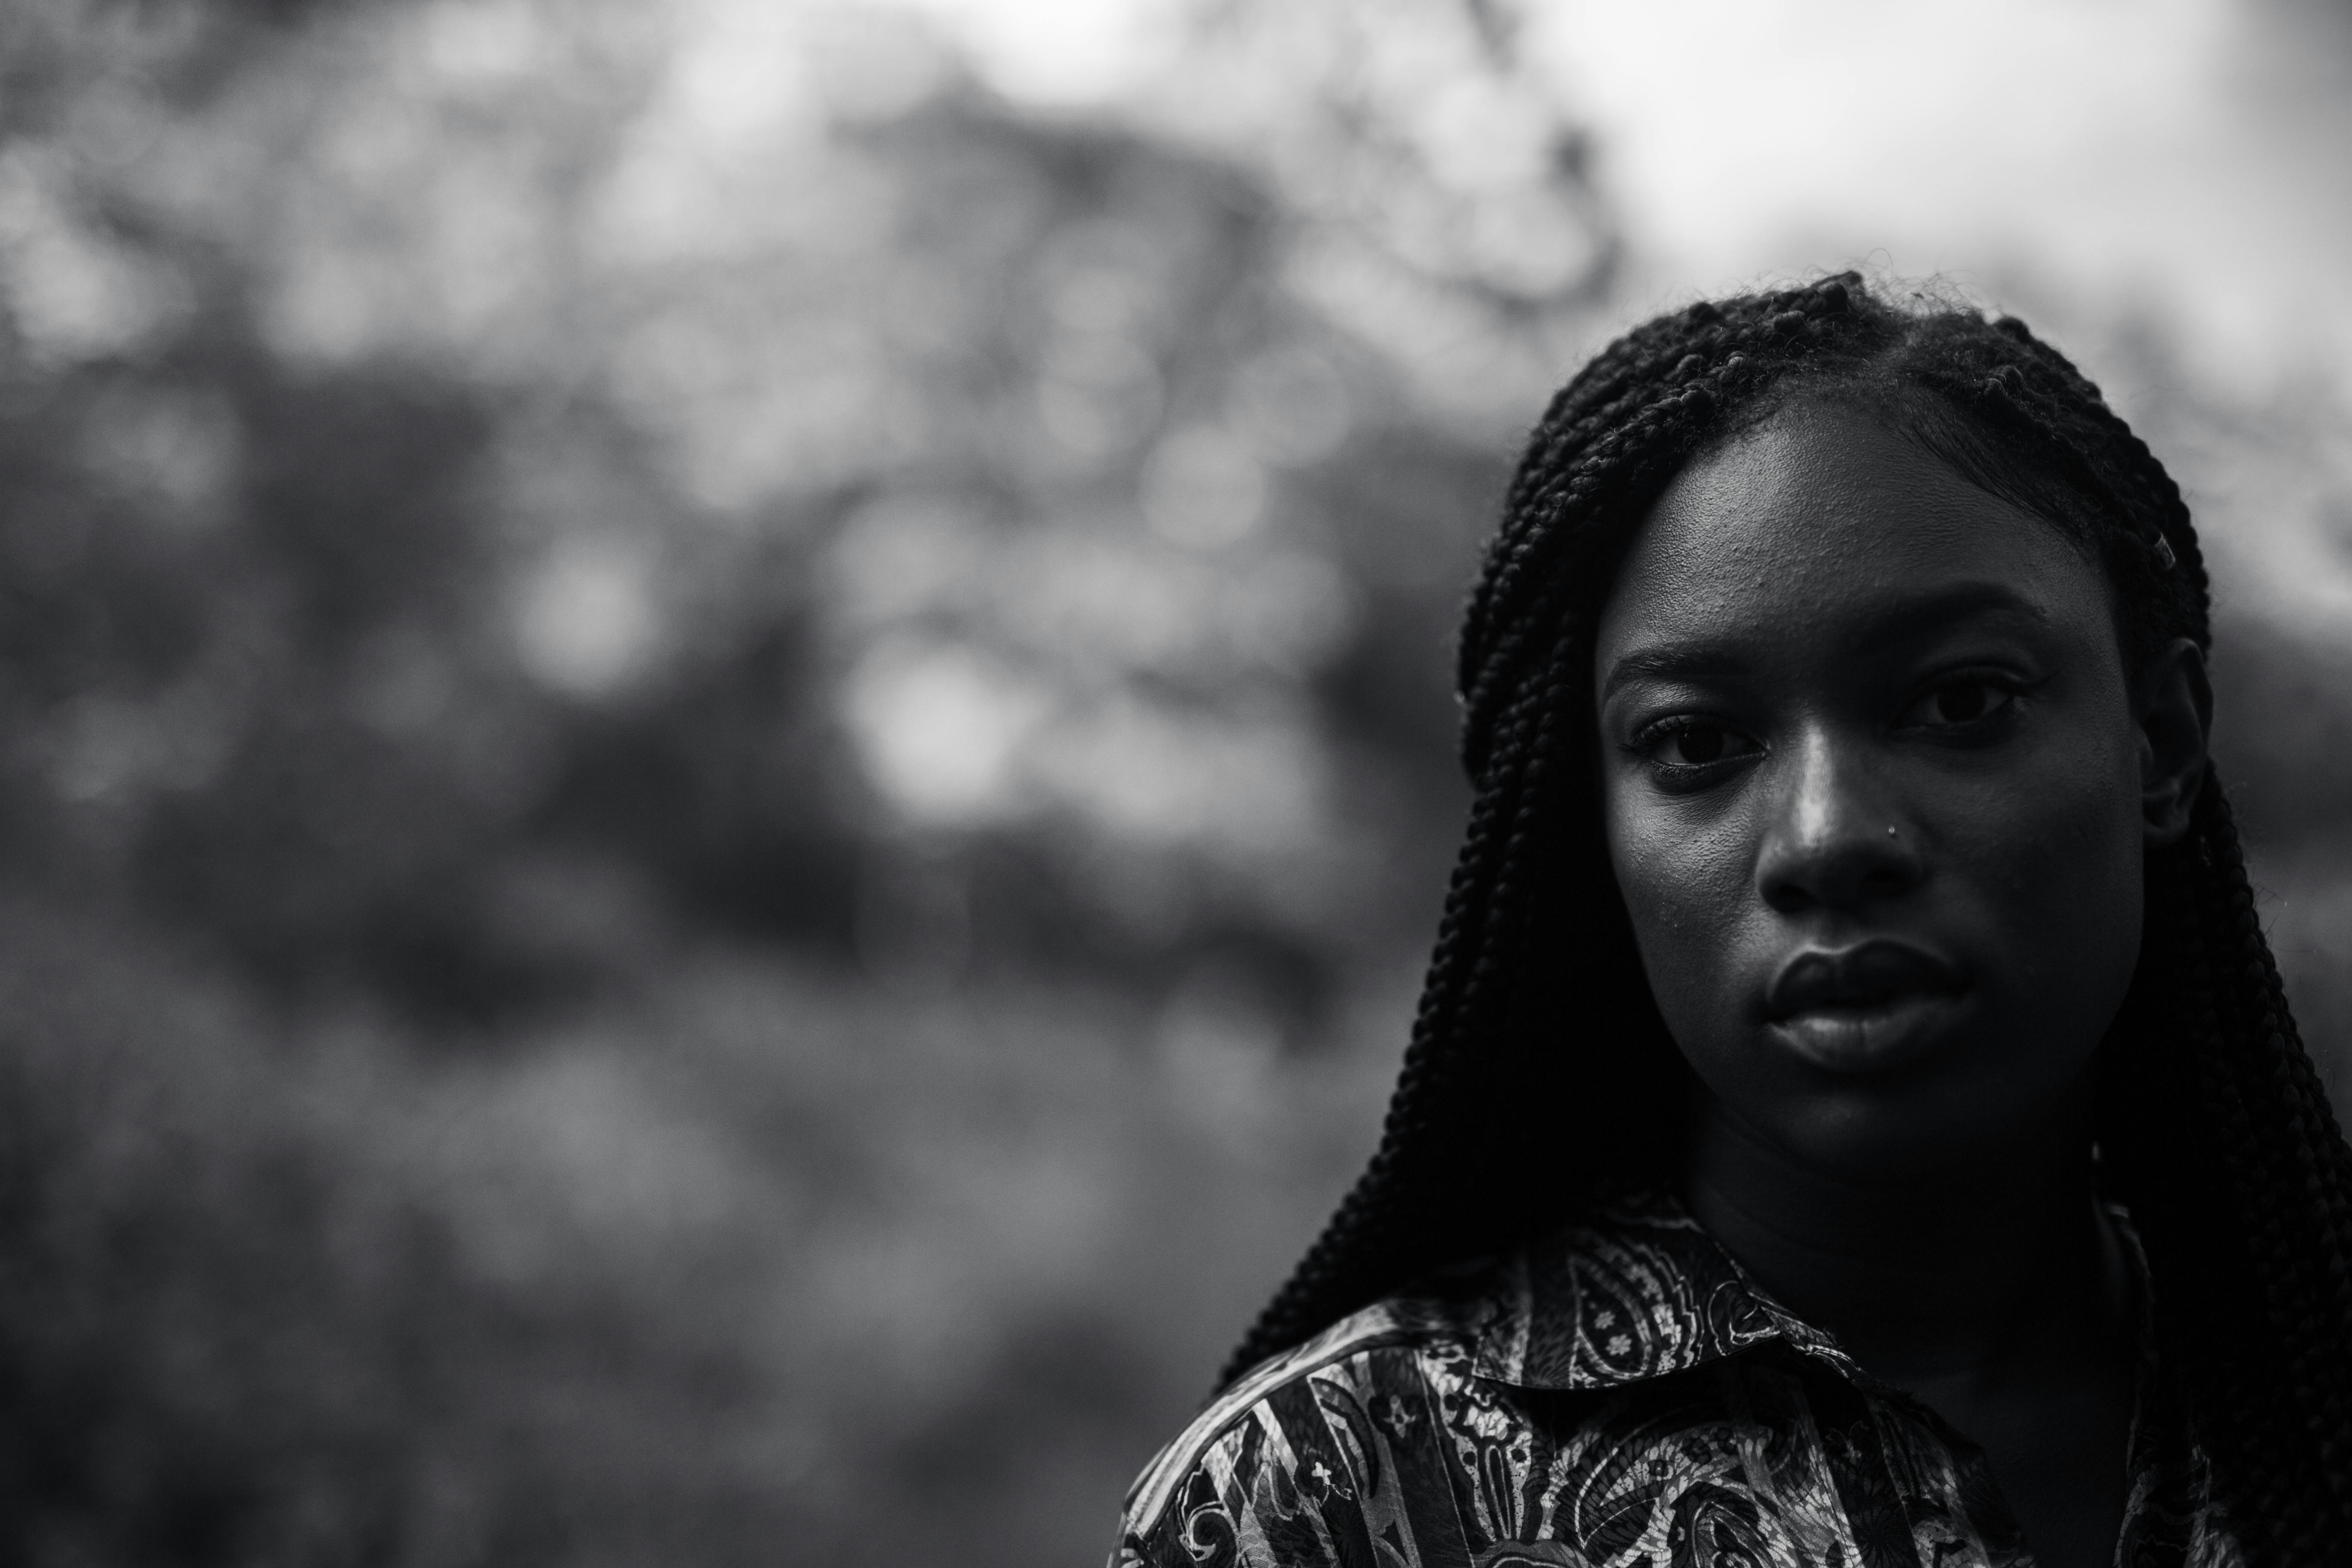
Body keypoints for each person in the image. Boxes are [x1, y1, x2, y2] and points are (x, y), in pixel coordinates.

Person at [1107, 275, 2352, 1568]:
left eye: (1963, 701)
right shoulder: (1317, 1502)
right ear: (1590, 828)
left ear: (2160, 741)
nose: (1828, 837)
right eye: (1696, 740)